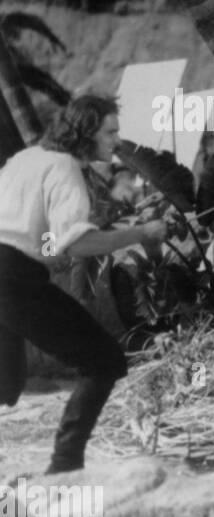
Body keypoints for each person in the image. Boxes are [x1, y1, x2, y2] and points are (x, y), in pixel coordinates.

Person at [0, 96, 166, 474]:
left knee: (7, 384)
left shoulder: (24, 159)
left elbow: (27, 231)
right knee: (104, 360)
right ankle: (64, 465)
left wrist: (43, 249)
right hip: (11, 277)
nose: (116, 142)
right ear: (87, 133)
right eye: (110, 132)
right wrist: (141, 232)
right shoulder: (65, 169)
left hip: (8, 270)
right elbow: (77, 243)